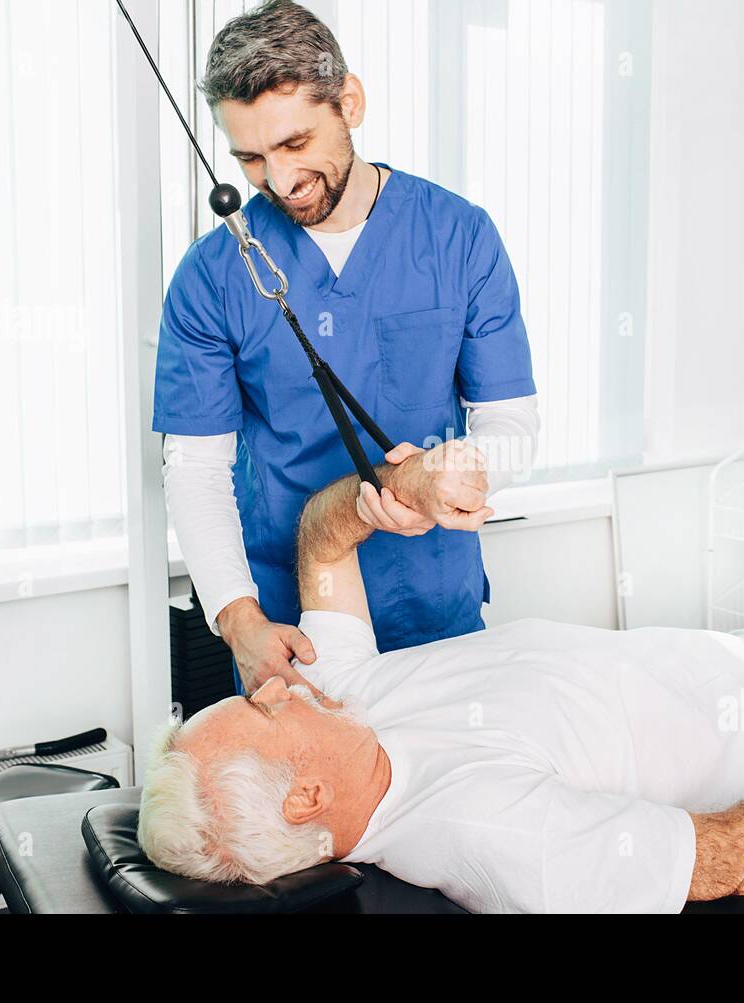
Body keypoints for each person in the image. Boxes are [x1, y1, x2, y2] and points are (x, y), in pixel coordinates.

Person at [137, 458, 744, 913]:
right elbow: (718, 860)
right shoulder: (479, 831)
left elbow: (320, 541)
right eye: (257, 706)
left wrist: (381, 498)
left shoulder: (345, 700)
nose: (272, 682)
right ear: (307, 796)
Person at [152, 1, 539, 695]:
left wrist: (457, 473)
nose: (277, 179)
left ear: (349, 102)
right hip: (292, 628)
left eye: (295, 144)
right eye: (249, 157)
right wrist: (240, 622)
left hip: (439, 614)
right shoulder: (210, 277)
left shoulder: (458, 237)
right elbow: (196, 468)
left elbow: (511, 421)